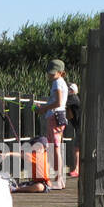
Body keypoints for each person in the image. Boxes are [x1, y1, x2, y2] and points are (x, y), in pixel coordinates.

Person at [38, 59, 69, 190]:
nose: (50, 75)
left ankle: (58, 178)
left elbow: (58, 102)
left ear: (61, 72)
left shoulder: (57, 83)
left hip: (54, 116)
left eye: (53, 73)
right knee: (56, 147)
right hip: (60, 116)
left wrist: (43, 109)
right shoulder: (62, 83)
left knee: (54, 147)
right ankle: (59, 179)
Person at [65, 81, 81, 177]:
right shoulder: (73, 99)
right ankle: (77, 169)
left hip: (80, 126)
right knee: (77, 148)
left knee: (76, 148)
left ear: (72, 91)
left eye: (68, 89)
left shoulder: (73, 98)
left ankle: (76, 169)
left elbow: (61, 104)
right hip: (79, 126)